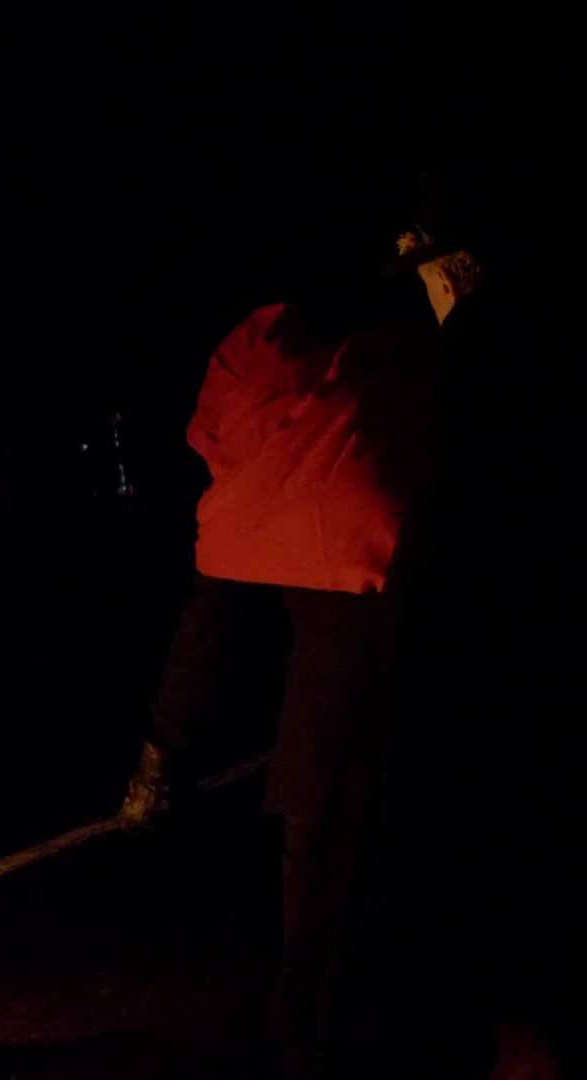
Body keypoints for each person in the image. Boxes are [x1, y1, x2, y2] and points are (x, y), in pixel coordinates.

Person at [120, 272, 439, 1080]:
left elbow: (209, 626)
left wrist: (160, 760)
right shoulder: (378, 403)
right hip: (442, 726)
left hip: (337, 750)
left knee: (326, 977)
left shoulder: (277, 472)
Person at [381, 171, 580, 1080]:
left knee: (509, 916)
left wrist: (407, 639)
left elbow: (446, 535)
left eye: (422, 273)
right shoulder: (544, 349)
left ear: (451, 270)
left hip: (498, 680)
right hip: (528, 664)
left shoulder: (472, 365)